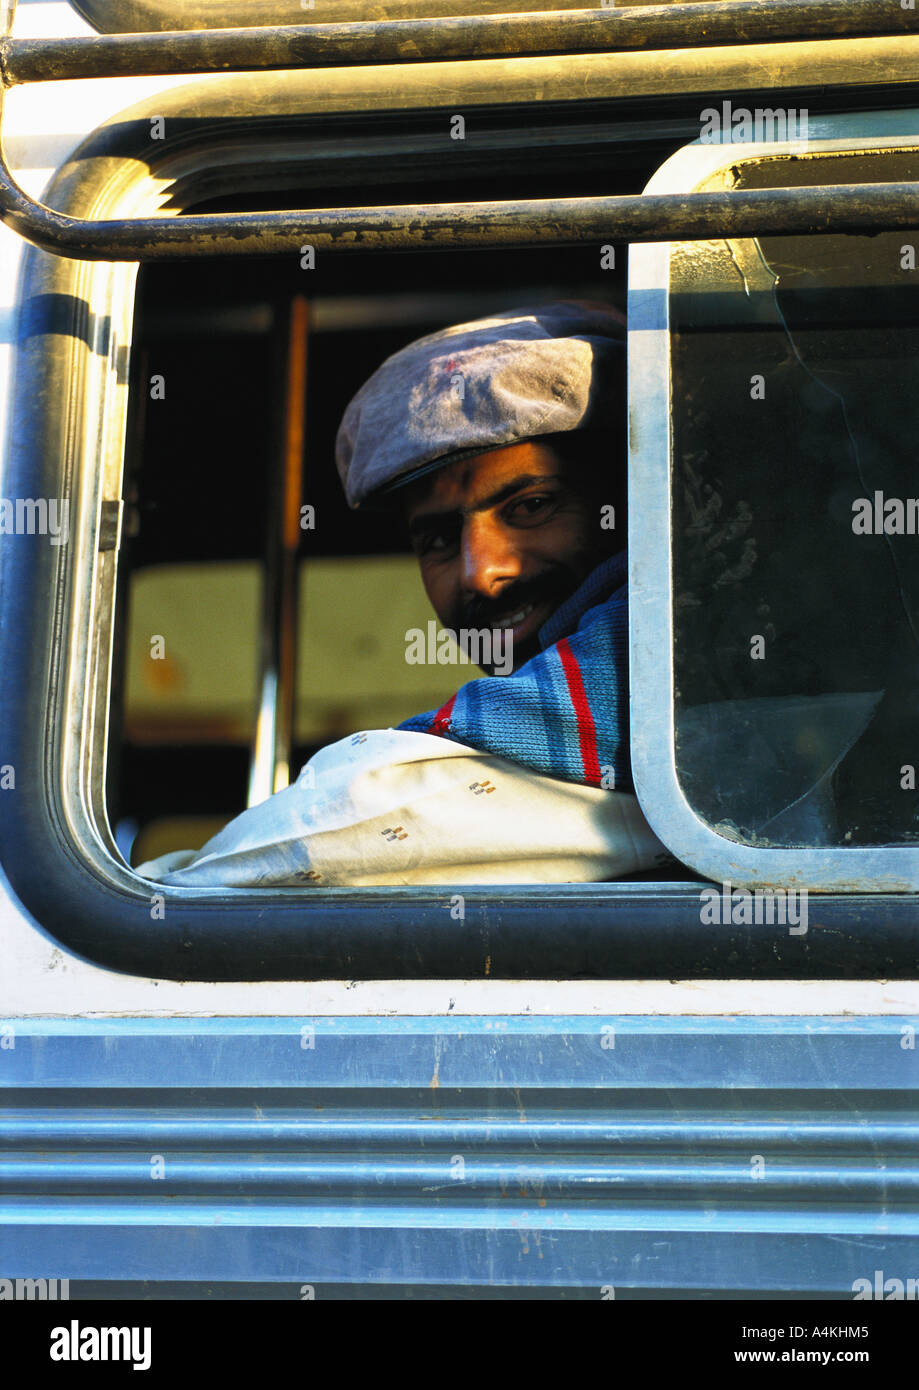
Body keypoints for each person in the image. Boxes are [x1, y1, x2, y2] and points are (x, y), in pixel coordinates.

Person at [135, 301, 671, 886]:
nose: (479, 573)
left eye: (531, 507)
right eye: (440, 537)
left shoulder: (664, 666)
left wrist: (159, 898)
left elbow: (361, 814)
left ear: (632, 503)